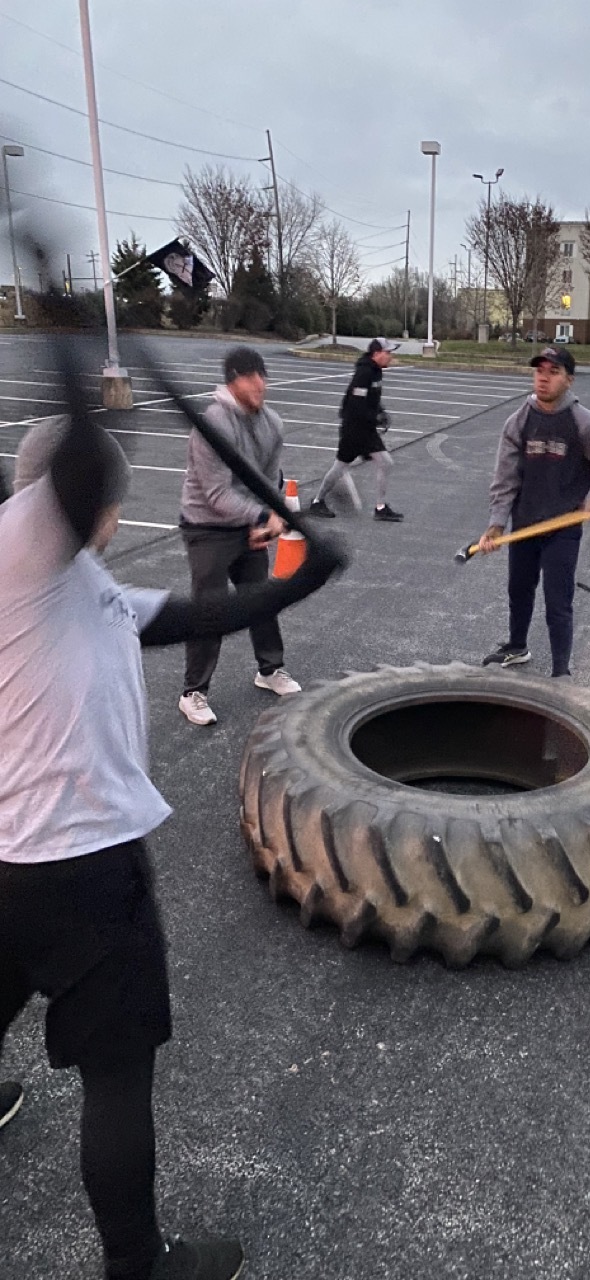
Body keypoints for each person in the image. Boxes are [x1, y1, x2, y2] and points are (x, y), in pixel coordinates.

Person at [0, 401, 345, 1278]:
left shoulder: (71, 580)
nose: (116, 517)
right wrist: (90, 352)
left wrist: (304, 579)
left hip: (14, 859)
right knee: (118, 1074)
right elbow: (77, 459)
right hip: (82, 864)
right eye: (111, 503)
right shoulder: (27, 545)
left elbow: (190, 618)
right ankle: (139, 1266)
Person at [479, 346, 590, 678]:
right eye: (539, 371)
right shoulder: (519, 422)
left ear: (569, 380)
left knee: (558, 602)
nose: (543, 378)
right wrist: (496, 524)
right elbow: (505, 478)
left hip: (563, 528)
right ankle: (517, 646)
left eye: (553, 372)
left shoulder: (585, 423)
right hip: (525, 524)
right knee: (519, 590)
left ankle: (561, 671)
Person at [179, 346, 301, 727]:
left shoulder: (272, 423)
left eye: (263, 375)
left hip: (247, 523)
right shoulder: (213, 425)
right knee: (210, 606)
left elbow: (268, 481)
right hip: (206, 528)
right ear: (232, 381)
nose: (260, 384)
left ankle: (270, 669)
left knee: (260, 598)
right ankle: (193, 692)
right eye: (250, 376)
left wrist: (267, 521)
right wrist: (263, 515)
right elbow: (217, 495)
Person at [309, 337, 403, 522]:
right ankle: (317, 501)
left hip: (366, 429)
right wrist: (375, 417)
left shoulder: (376, 371)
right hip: (353, 430)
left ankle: (381, 508)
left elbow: (372, 398)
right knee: (340, 466)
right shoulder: (364, 373)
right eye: (388, 352)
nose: (390, 356)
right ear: (376, 354)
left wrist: (380, 411)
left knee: (386, 463)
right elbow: (355, 405)